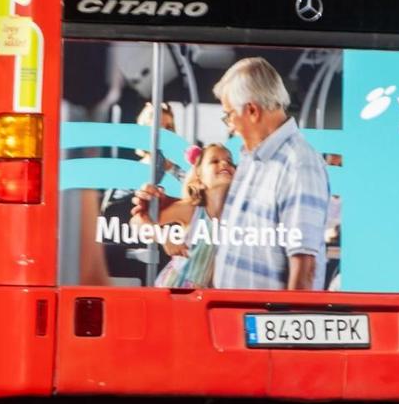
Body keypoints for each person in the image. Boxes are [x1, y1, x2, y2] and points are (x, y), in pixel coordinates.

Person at [132, 56, 328, 291]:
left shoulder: (298, 164)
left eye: (228, 115)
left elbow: (305, 268)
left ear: (252, 110)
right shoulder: (253, 160)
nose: (229, 125)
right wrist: (159, 215)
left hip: (261, 321)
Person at [155, 143, 235, 288]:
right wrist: (163, 237)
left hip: (205, 296)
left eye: (229, 162)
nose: (224, 163)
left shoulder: (233, 217)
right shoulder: (191, 210)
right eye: (214, 161)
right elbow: (138, 222)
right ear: (199, 176)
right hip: (175, 287)